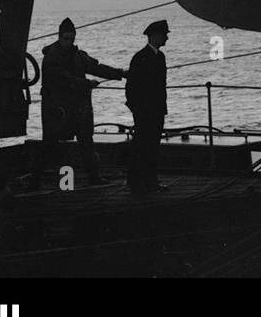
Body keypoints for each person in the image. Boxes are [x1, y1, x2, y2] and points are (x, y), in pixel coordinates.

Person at [41, 17, 126, 187]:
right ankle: (47, 180)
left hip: (79, 108)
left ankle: (94, 177)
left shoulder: (78, 55)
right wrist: (87, 83)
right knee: (53, 144)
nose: (69, 42)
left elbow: (96, 67)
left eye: (72, 39)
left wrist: (120, 73)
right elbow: (63, 79)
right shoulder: (51, 58)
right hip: (58, 110)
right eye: (66, 38)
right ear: (59, 37)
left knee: (86, 142)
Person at [125, 20, 169, 194]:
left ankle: (150, 181)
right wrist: (136, 109)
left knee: (152, 147)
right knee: (142, 146)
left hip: (157, 109)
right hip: (144, 110)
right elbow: (131, 87)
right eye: (164, 34)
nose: (166, 37)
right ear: (155, 36)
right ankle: (137, 182)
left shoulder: (160, 56)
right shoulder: (140, 57)